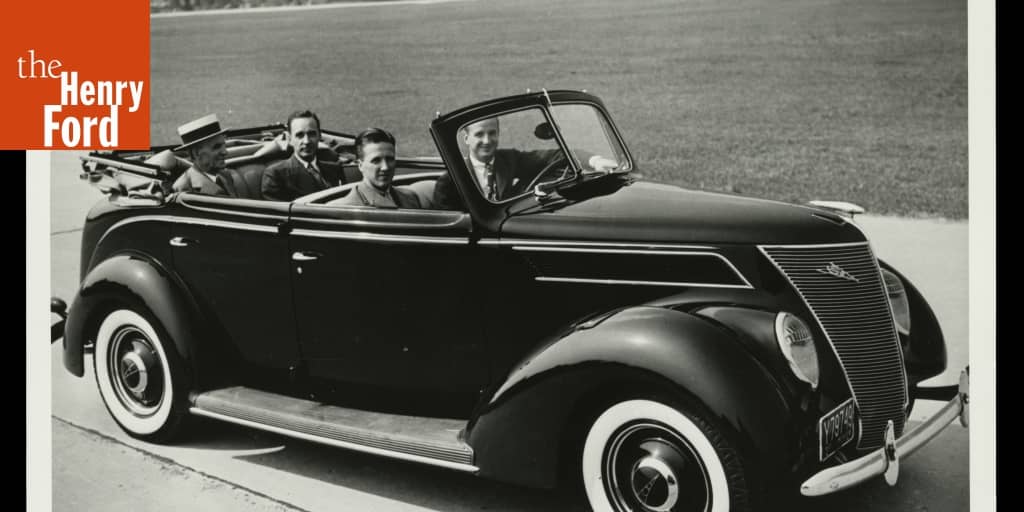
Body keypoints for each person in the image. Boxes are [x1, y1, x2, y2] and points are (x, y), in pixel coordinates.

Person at [432, 117, 617, 210]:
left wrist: (595, 160)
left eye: (492, 133)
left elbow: (556, 156)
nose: (487, 140)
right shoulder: (450, 181)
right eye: (479, 134)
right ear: (466, 139)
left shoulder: (508, 159)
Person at [261, 110, 344, 201]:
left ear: (319, 136)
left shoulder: (335, 169)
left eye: (311, 134)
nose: (306, 141)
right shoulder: (276, 175)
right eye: (299, 135)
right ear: (289, 139)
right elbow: (280, 213)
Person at [336, 128, 422, 209]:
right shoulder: (347, 208)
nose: (385, 167)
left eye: (390, 159)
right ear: (360, 165)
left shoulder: (410, 197)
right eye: (376, 160)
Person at [171, 114, 238, 197]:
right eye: (216, 147)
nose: (225, 152)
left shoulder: (225, 175)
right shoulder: (184, 189)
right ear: (196, 153)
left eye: (224, 146)